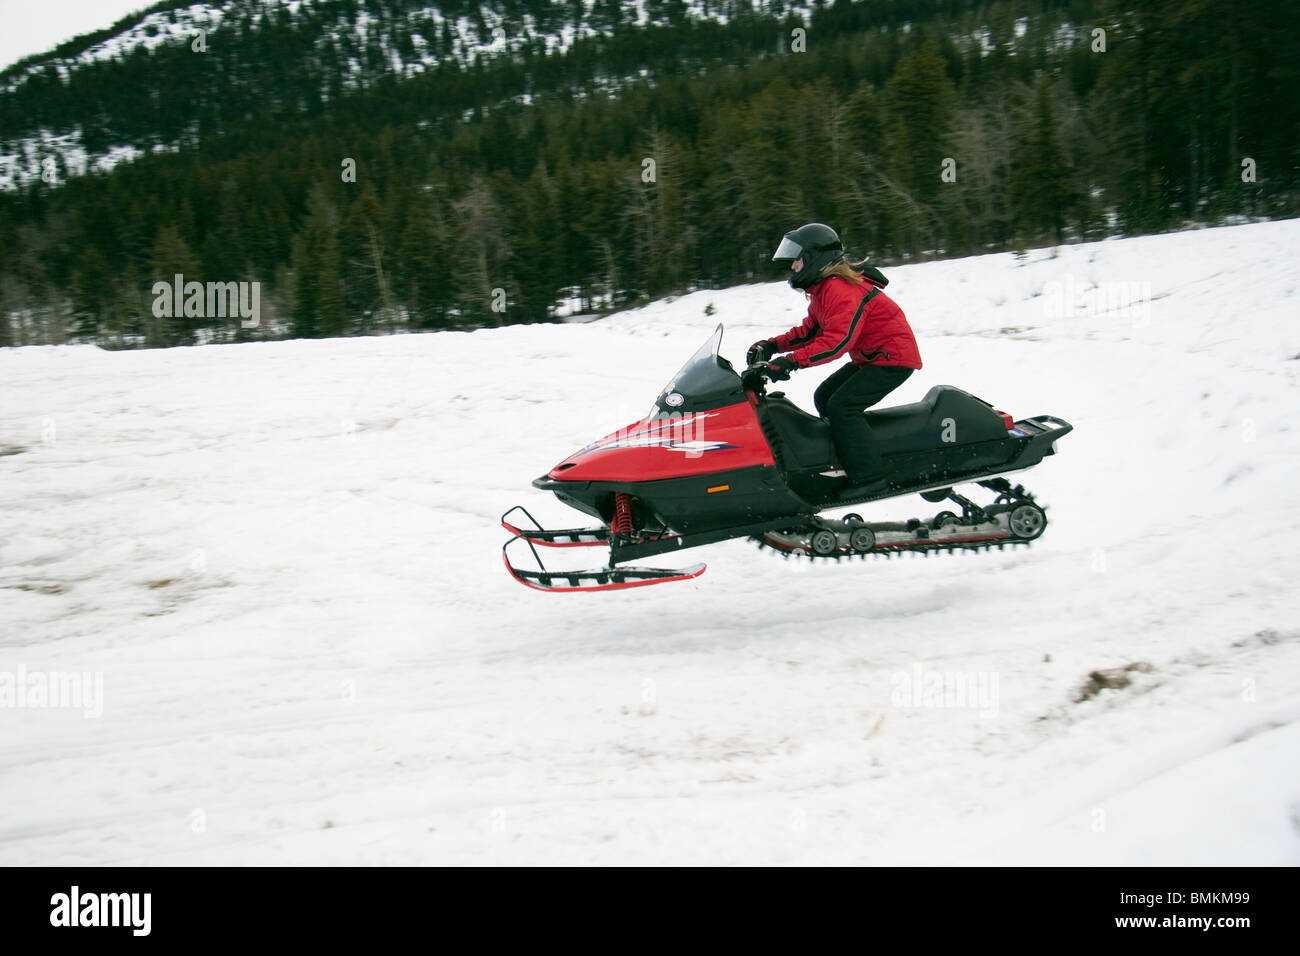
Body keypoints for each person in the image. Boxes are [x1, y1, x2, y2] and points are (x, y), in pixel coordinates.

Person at [748, 222, 922, 500]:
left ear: (814, 258)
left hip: (892, 358)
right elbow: (810, 332)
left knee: (842, 407)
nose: (793, 267)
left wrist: (790, 362)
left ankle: (870, 478)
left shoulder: (840, 289)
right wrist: (771, 346)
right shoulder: (823, 289)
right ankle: (847, 459)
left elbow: (837, 343)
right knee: (825, 396)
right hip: (873, 357)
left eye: (796, 261)